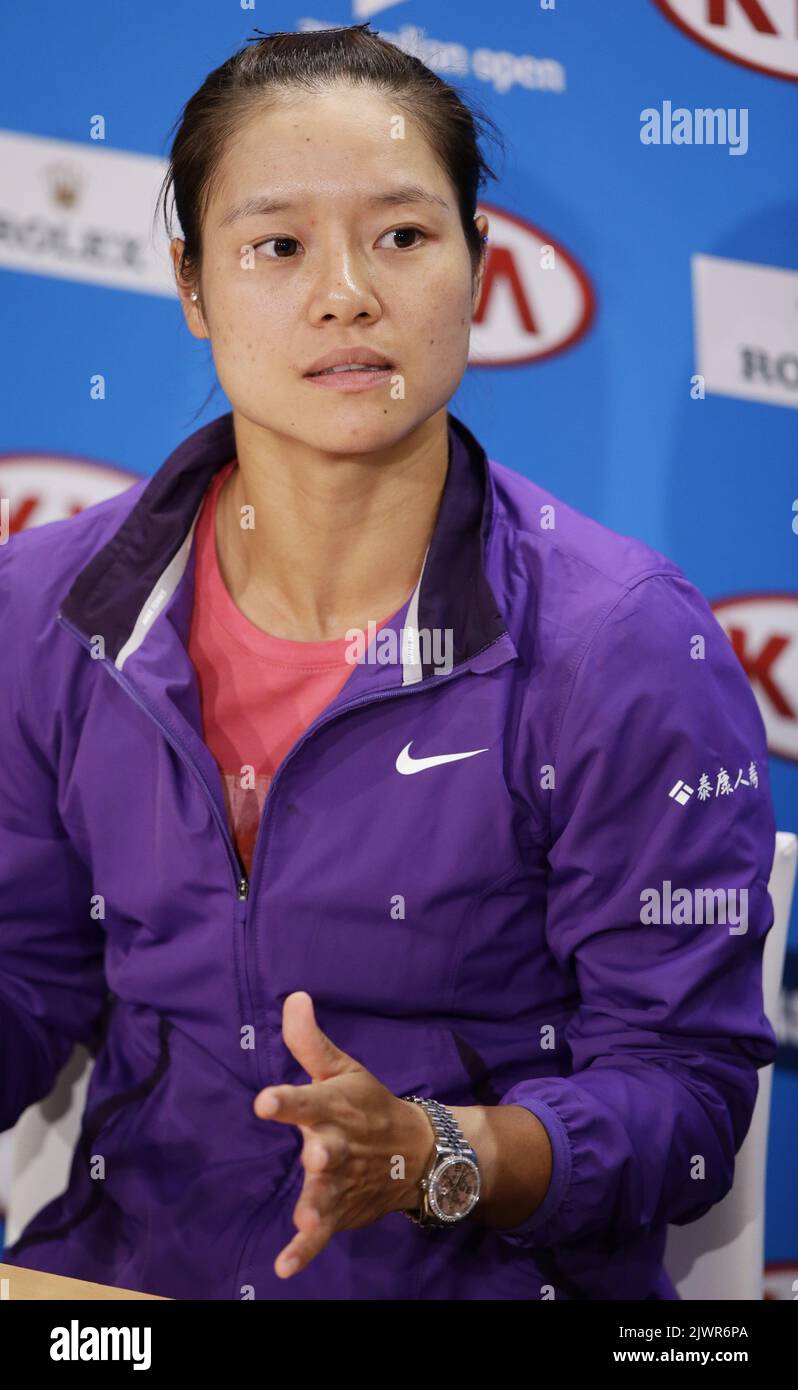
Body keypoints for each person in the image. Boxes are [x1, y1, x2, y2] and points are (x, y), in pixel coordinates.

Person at [0, 24, 778, 1302]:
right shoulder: (52, 606)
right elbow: (27, 974)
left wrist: (433, 1151)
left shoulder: (624, 642)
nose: (346, 292)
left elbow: (682, 1095)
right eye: (278, 246)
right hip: (126, 1289)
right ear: (193, 285)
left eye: (404, 236)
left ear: (478, 266)